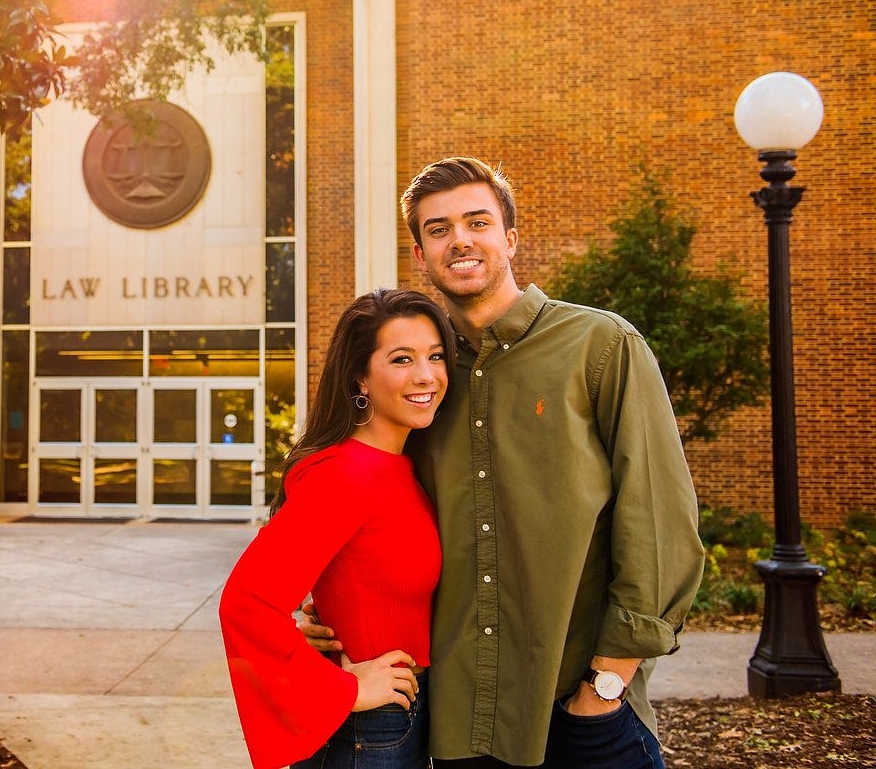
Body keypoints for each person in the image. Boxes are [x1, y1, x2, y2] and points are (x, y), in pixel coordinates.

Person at [302, 157, 705, 768]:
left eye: (477, 222)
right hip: (462, 717)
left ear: (511, 238)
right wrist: (321, 613)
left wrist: (607, 685)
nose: (459, 240)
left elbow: (659, 522)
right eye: (438, 229)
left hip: (580, 705)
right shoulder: (422, 382)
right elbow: (364, 500)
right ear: (420, 254)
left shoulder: (600, 347)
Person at [219, 288, 455, 768]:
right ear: (359, 377)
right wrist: (343, 689)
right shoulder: (345, 474)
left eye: (435, 356)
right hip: (368, 731)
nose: (426, 375)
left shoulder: (402, 466)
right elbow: (247, 604)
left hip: (402, 717)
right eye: (402, 359)